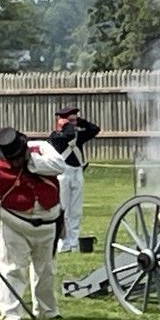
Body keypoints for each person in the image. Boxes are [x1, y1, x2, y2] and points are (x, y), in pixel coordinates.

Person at [0, 127, 67, 320]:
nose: (16, 162)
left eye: (19, 156)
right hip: (15, 222)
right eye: (13, 159)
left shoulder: (41, 148)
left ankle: (47, 310)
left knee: (46, 269)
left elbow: (60, 165)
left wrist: (31, 163)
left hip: (48, 222)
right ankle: (11, 313)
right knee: (12, 268)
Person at [48, 105, 100, 252]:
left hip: (77, 172)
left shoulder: (77, 134)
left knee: (76, 210)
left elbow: (95, 129)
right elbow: (69, 135)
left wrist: (80, 121)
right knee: (63, 209)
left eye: (75, 121)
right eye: (70, 121)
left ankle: (73, 242)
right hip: (63, 174)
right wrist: (66, 124)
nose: (74, 124)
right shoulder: (56, 136)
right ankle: (63, 243)